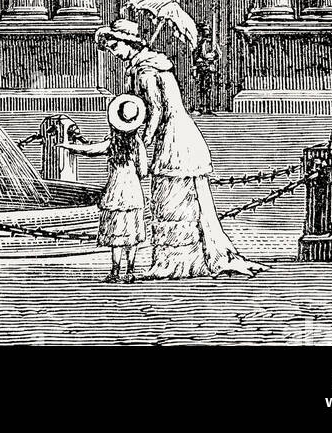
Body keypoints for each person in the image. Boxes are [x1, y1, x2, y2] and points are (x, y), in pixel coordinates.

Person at [97, 18, 260, 279]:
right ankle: (180, 256)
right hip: (176, 132)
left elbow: (156, 109)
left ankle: (178, 260)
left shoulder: (147, 71)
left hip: (172, 137)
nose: (114, 53)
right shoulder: (147, 66)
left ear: (128, 44)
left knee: (172, 194)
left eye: (115, 47)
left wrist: (144, 138)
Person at [89, 93, 150, 284]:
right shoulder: (137, 144)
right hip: (132, 191)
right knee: (131, 233)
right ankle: (130, 271)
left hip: (115, 191)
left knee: (116, 234)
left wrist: (68, 146)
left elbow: (92, 150)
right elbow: (144, 170)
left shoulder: (112, 143)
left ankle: (114, 272)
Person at [193, 26, 221, 115]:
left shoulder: (213, 44)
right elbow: (195, 55)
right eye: (204, 32)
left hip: (209, 67)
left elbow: (219, 54)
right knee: (201, 88)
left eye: (207, 32)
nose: (206, 34)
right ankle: (201, 107)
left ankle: (208, 107)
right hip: (201, 68)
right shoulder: (200, 44)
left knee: (208, 88)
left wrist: (213, 56)